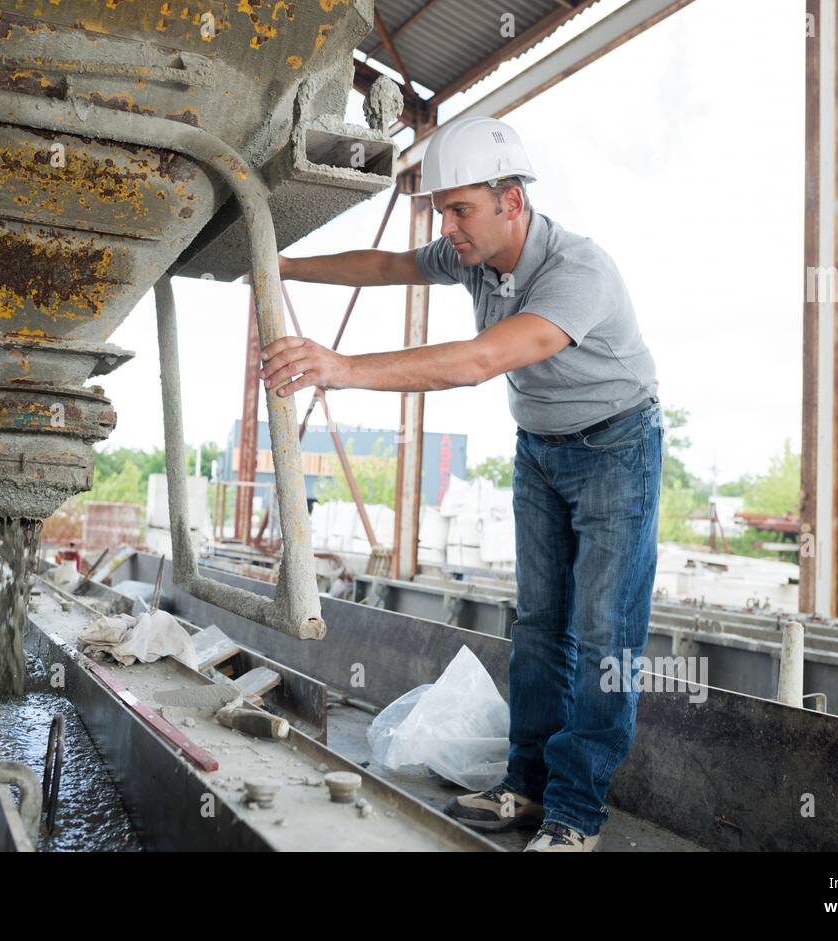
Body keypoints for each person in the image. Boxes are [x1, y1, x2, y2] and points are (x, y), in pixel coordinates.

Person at [264, 116, 662, 852]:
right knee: (540, 625)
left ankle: (576, 811)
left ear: (512, 200)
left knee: (605, 630)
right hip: (540, 448)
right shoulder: (472, 256)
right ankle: (528, 782)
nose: (448, 228)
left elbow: (482, 359)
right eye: (442, 211)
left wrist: (341, 366)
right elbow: (386, 268)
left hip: (617, 447)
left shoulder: (581, 271)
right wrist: (282, 266)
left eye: (460, 210)